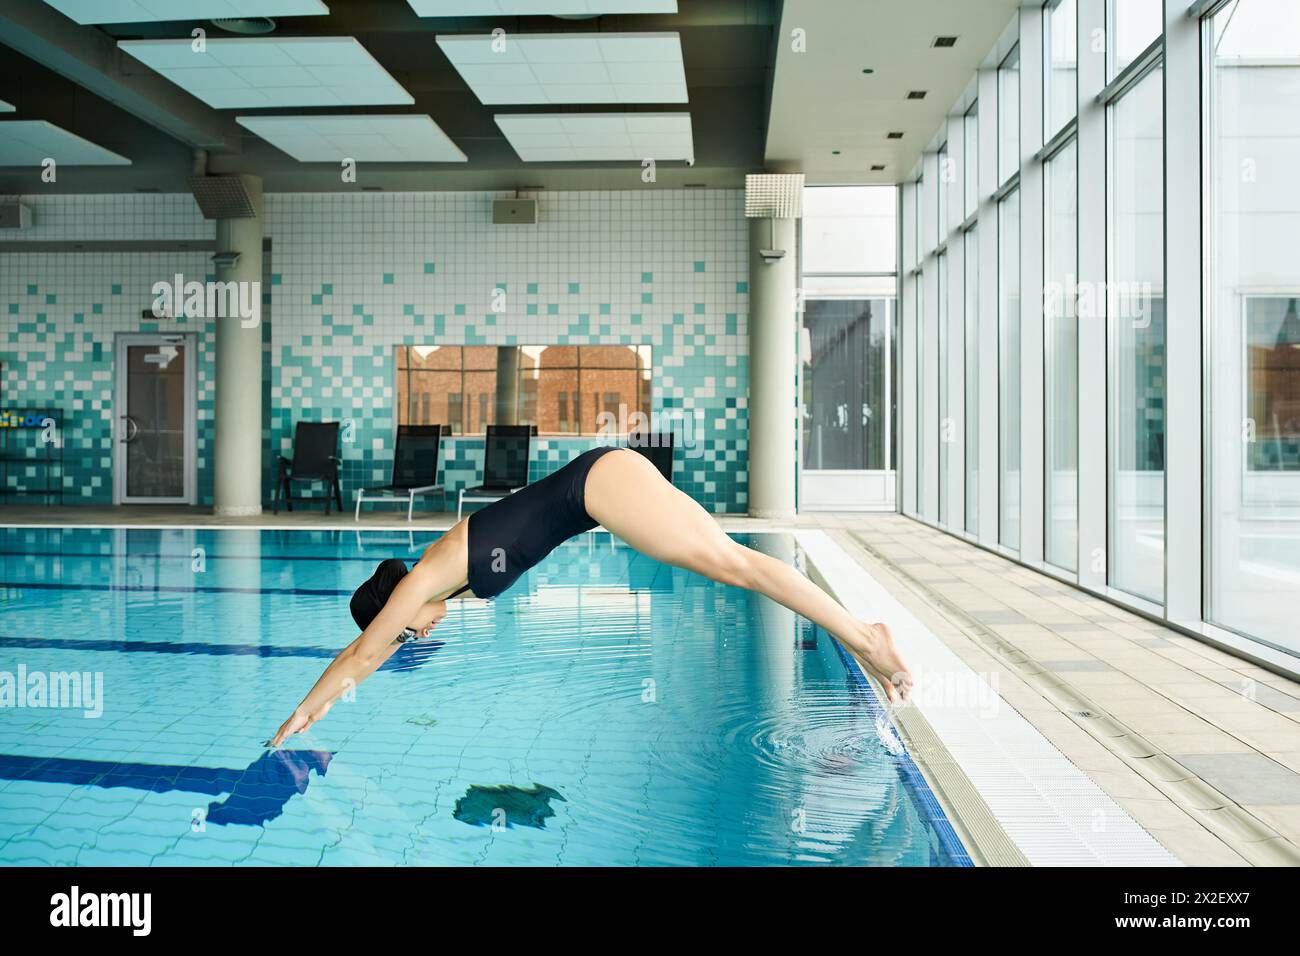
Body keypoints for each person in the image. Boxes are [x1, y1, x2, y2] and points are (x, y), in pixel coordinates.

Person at [270, 446, 912, 746]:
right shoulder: (442, 581)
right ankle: (863, 633)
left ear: (396, 611)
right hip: (602, 482)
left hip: (598, 488)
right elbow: (369, 658)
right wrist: (326, 710)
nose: (422, 634)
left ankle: (865, 637)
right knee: (734, 561)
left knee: (739, 568)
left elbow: (361, 653)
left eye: (410, 630)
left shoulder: (421, 584)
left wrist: (302, 709)